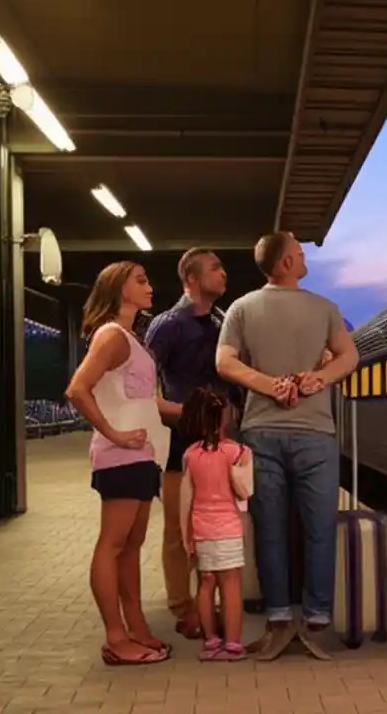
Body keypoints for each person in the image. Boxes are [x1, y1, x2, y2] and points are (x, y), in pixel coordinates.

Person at [216, 231, 358, 659]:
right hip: (316, 433)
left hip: (261, 431)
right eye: (298, 251)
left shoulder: (242, 308)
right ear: (285, 264)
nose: (303, 255)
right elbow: (350, 357)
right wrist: (320, 379)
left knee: (270, 530)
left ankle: (278, 620)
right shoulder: (325, 308)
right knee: (319, 530)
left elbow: (224, 362)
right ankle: (317, 622)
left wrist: (267, 385)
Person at [65, 261, 183, 665]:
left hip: (142, 454)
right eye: (141, 281)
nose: (150, 287)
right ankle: (116, 639)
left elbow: (143, 399)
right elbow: (77, 389)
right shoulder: (112, 336)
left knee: (131, 546)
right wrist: (114, 434)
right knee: (113, 544)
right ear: (119, 289)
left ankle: (137, 629)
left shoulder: (129, 338)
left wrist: (192, 411)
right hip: (122, 456)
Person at [143, 247, 229, 640]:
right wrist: (182, 413)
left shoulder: (222, 323)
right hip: (178, 447)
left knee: (214, 530)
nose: (223, 273)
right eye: (215, 268)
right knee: (179, 531)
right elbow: (141, 387)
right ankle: (183, 607)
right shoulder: (167, 325)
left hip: (219, 445)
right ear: (192, 279)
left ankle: (210, 602)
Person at [178, 387, 252, 661]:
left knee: (206, 582)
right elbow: (245, 493)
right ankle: (233, 644)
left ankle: (210, 642)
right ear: (226, 418)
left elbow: (185, 499)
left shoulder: (190, 455)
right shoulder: (239, 452)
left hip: (202, 529)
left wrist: (186, 535)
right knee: (231, 584)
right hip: (229, 527)